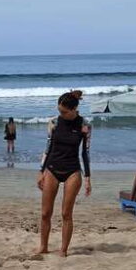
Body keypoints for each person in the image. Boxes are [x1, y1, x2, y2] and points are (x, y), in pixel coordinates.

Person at [36, 90, 92, 257]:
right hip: (52, 169)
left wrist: (88, 178)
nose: (61, 114)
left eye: (64, 112)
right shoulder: (53, 122)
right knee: (45, 213)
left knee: (66, 213)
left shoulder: (85, 125)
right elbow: (48, 148)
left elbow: (85, 153)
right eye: (59, 110)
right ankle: (43, 247)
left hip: (72, 171)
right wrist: (41, 171)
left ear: (74, 109)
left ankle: (63, 250)